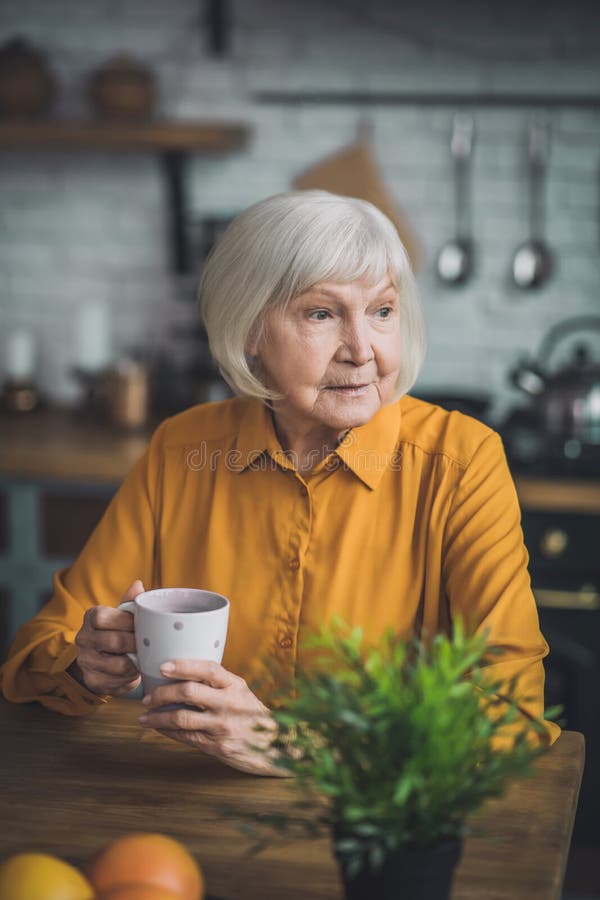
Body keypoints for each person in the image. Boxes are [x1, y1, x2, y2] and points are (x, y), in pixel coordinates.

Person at [0, 190, 560, 774]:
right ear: (249, 332)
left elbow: (510, 705)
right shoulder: (181, 448)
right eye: (321, 314)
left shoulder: (462, 460)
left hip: (382, 821)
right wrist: (85, 664)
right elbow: (40, 648)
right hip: (186, 808)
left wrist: (292, 749)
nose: (362, 350)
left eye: (383, 311)